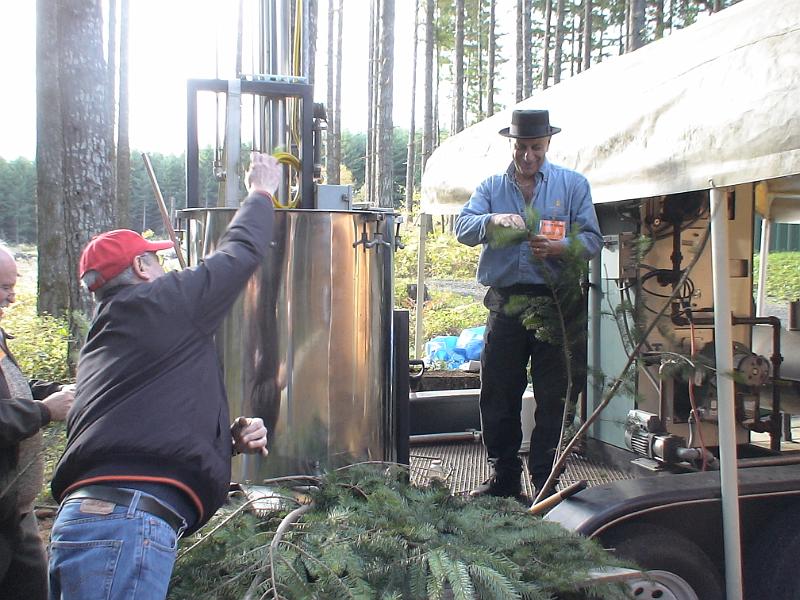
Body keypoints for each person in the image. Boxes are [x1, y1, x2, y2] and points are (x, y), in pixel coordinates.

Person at [48, 152, 282, 600]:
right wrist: (260, 192)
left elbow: (143, 424)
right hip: (125, 524)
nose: (167, 269)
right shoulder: (159, 303)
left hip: (88, 522)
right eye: (156, 261)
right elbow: (239, 255)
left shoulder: (108, 335)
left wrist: (225, 441)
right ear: (140, 269)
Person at [455, 109, 602, 500]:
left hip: (558, 304)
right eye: (521, 147)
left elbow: (592, 240)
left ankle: (545, 480)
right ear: (512, 144)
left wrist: (560, 247)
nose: (528, 155)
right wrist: (492, 221)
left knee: (556, 394)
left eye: (536, 147)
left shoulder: (573, 185)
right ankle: (504, 477)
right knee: (498, 392)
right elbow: (462, 228)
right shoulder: (491, 187)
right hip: (507, 304)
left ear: (548, 143)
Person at [0, 246, 75, 600]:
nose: (12, 298)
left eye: (12, 286)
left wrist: (56, 391)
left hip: (16, 515)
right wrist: (43, 411)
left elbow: (12, 388)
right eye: (4, 288)